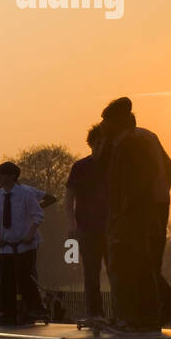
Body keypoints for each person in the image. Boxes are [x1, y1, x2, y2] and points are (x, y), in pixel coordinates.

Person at [99, 97, 171, 331]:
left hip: (140, 209)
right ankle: (146, 314)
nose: (103, 125)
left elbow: (138, 180)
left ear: (117, 123)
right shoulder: (129, 142)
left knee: (132, 261)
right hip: (148, 206)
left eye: (106, 121)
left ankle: (140, 316)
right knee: (140, 261)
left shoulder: (135, 142)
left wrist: (137, 203)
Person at [0, 162, 46, 324]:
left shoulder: (25, 194)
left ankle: (34, 309)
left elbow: (38, 216)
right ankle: (8, 312)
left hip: (24, 245)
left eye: (0, 176)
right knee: (6, 280)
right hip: (6, 246)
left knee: (25, 277)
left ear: (12, 176)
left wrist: (29, 235)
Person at [65, 123, 110, 319]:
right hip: (87, 228)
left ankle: (121, 313)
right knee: (91, 273)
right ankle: (95, 312)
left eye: (105, 143)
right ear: (91, 144)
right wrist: (71, 225)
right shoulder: (80, 167)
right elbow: (69, 197)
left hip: (111, 228)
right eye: (98, 143)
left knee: (116, 273)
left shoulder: (113, 166)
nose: (102, 147)